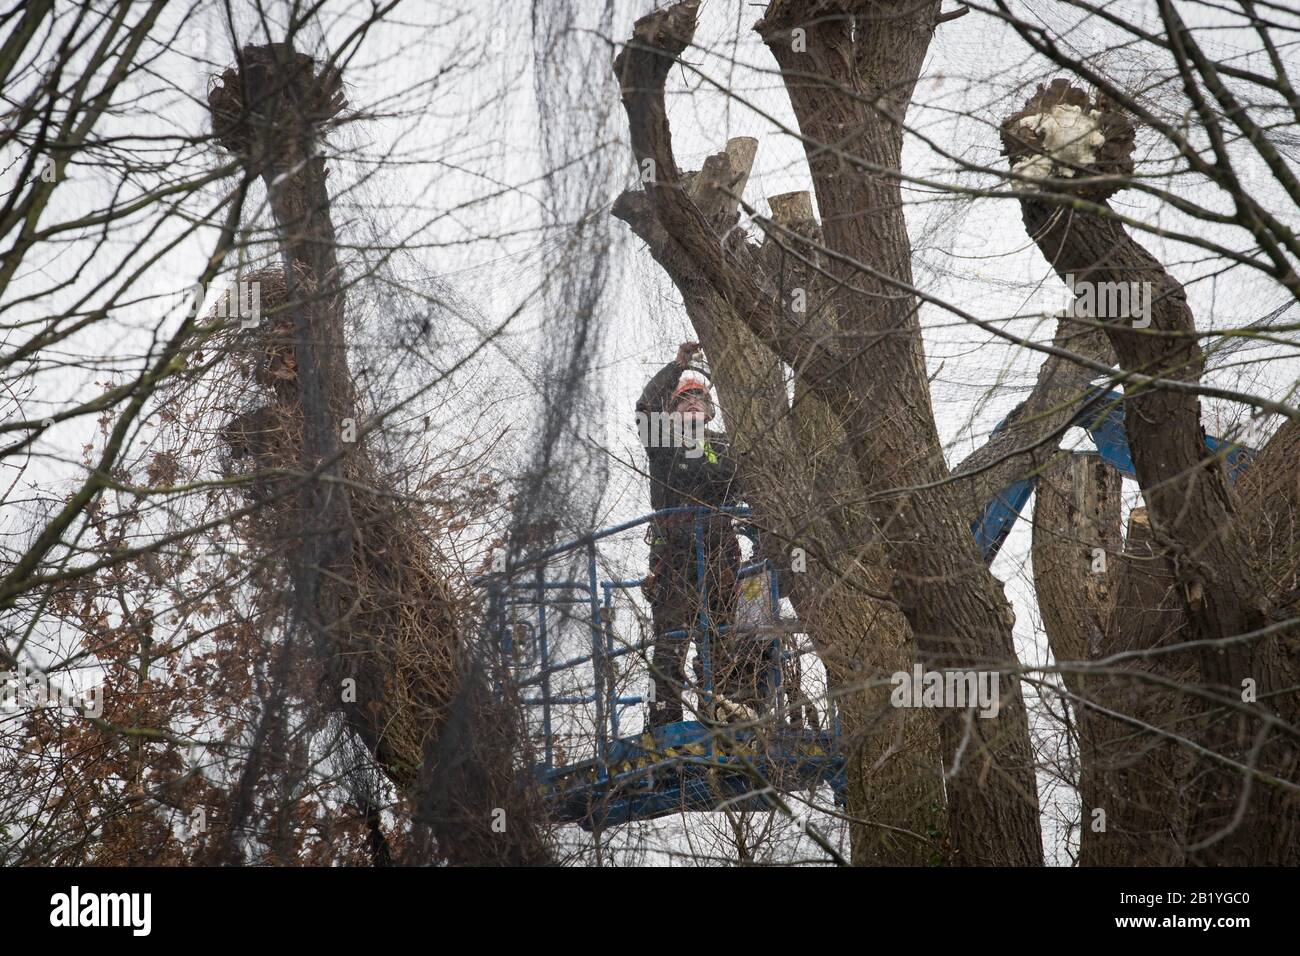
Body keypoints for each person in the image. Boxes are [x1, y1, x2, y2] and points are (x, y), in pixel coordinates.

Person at [637, 341, 753, 728]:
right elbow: (645, 410)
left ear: (709, 410)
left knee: (719, 640)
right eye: (683, 399)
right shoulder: (662, 442)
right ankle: (663, 719)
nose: (691, 403)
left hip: (720, 553)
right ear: (671, 410)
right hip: (675, 556)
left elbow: (747, 490)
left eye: (698, 398)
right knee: (670, 643)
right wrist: (677, 367)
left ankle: (718, 716)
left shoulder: (724, 445)